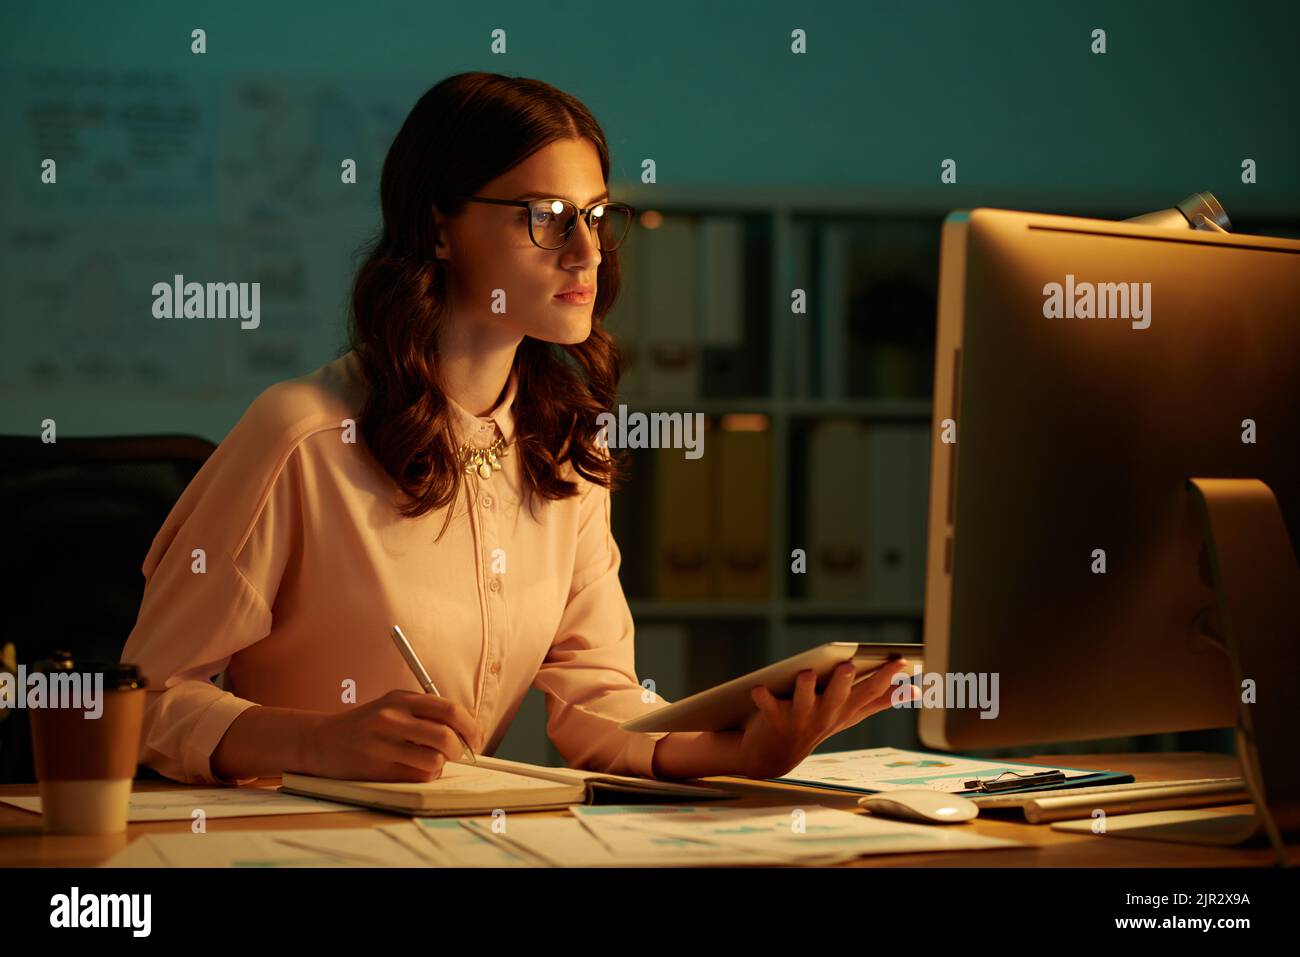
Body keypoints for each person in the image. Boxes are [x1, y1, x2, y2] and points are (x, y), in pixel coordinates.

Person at [121, 71, 914, 787]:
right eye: (545, 216)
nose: (586, 252)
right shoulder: (301, 436)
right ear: (438, 228)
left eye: (599, 218)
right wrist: (313, 741)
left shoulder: (565, 445)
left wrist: (743, 752)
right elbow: (142, 702)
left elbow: (597, 703)